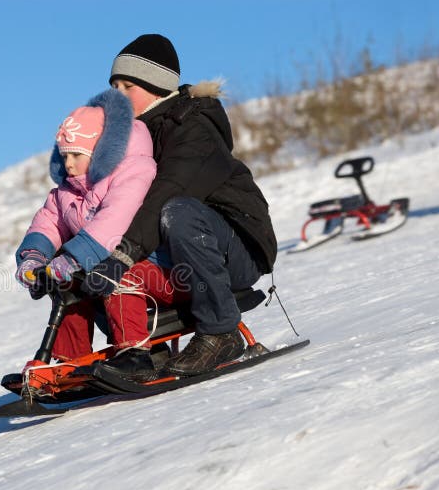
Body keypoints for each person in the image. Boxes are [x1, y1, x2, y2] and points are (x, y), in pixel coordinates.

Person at [84, 34, 278, 381]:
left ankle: (221, 332)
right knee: (93, 265)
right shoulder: (134, 138)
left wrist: (124, 252)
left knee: (177, 210)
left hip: (236, 250)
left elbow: (166, 193)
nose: (118, 95)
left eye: (128, 85)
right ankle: (144, 350)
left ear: (156, 85)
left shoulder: (193, 128)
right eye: (114, 86)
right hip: (181, 251)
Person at [15, 88, 158, 364]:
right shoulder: (67, 191)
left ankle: (134, 354)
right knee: (62, 281)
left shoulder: (133, 172)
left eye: (76, 155)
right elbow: (48, 222)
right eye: (64, 156)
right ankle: (71, 362)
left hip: (151, 265)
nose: (67, 165)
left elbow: (116, 219)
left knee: (115, 272)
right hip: (100, 267)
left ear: (98, 152)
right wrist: (34, 257)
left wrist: (74, 258)